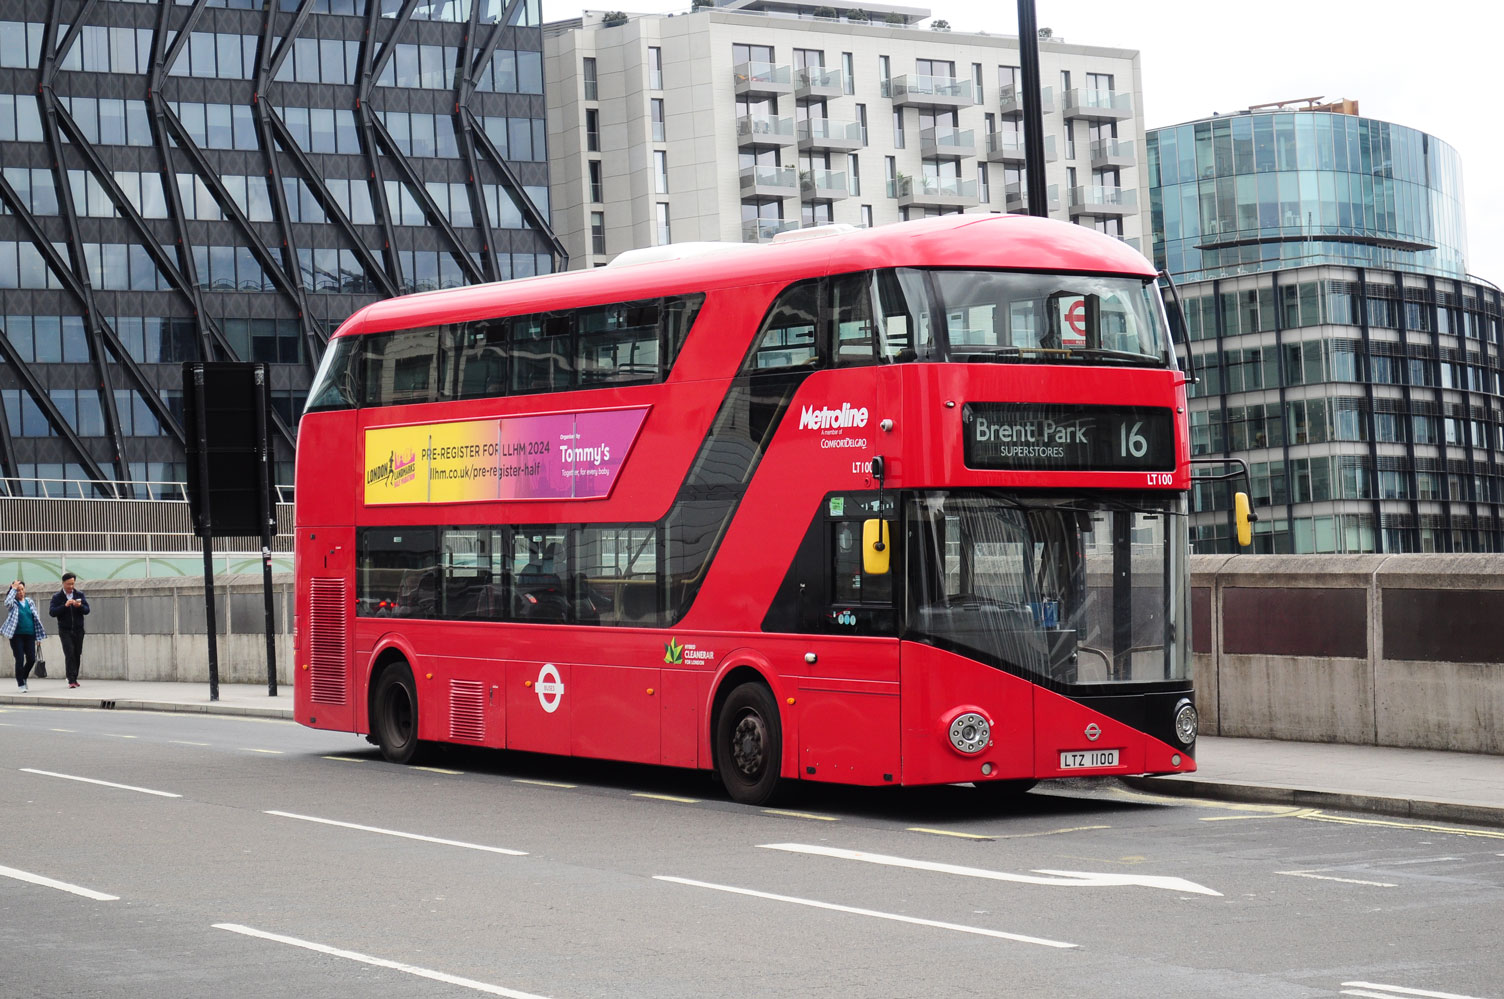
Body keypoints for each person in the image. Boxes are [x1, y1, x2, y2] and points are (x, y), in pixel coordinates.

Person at [3, 580, 48, 692]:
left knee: (31, 659)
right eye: (18, 590)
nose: (21, 592)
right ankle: (21, 684)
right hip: (16, 635)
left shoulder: (30, 602)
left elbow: (36, 618)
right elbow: (7, 603)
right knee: (19, 659)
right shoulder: (13, 603)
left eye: (22, 589)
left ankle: (23, 676)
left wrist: (38, 638)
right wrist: (13, 589)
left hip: (30, 635)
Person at [49, 572, 90, 688]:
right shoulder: (57, 597)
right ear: (63, 583)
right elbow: (52, 612)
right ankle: (71, 679)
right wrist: (65, 606)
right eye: (68, 584)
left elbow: (87, 610)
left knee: (77, 653)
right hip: (65, 630)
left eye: (72, 584)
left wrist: (79, 606)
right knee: (69, 652)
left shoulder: (79, 594)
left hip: (78, 629)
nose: (70, 586)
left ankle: (74, 677)